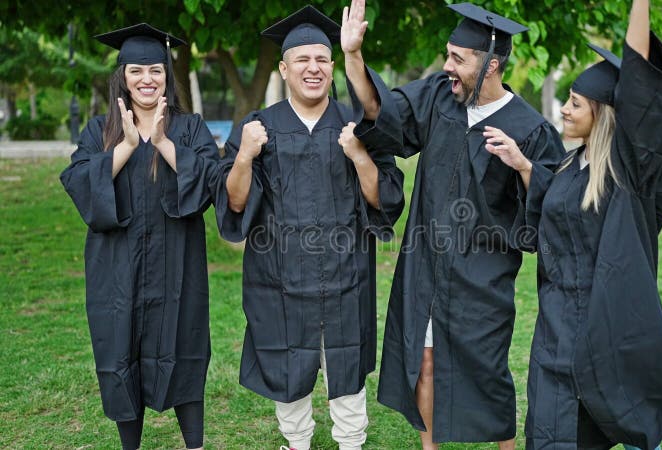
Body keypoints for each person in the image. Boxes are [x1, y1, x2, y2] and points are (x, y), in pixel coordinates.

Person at [483, 0, 662, 448]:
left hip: (608, 328)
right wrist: (525, 165)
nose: (564, 111)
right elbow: (558, 205)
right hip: (556, 328)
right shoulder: (575, 165)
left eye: (575, 104)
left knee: (615, 416)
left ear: (605, 115)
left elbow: (639, 76)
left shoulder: (630, 174)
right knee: (551, 431)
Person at [341, 1, 564, 448]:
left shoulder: (530, 128)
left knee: (487, 368)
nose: (447, 66)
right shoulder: (438, 97)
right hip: (425, 262)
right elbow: (381, 111)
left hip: (483, 275)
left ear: (492, 65)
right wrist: (353, 57)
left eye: (458, 58)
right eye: (448, 54)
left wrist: (522, 165)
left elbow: (554, 204)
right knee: (423, 361)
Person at [212, 6, 404, 450]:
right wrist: (244, 155)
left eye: (321, 59)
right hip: (279, 276)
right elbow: (234, 202)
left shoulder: (359, 125)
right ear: (284, 68)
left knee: (346, 361)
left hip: (345, 272)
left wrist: (358, 155)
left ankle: (351, 442)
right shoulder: (259, 126)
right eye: (302, 60)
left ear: (332, 66)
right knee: (286, 361)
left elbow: (386, 200)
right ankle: (296, 442)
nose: (312, 68)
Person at [60, 23, 219, 450]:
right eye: (136, 71)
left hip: (177, 268)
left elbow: (210, 182)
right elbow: (78, 182)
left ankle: (195, 445)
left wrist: (164, 143)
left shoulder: (190, 129)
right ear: (122, 77)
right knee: (119, 350)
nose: (146, 79)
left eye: (155, 70)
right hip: (117, 269)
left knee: (183, 346)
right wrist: (127, 146)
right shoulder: (99, 131)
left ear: (168, 75)